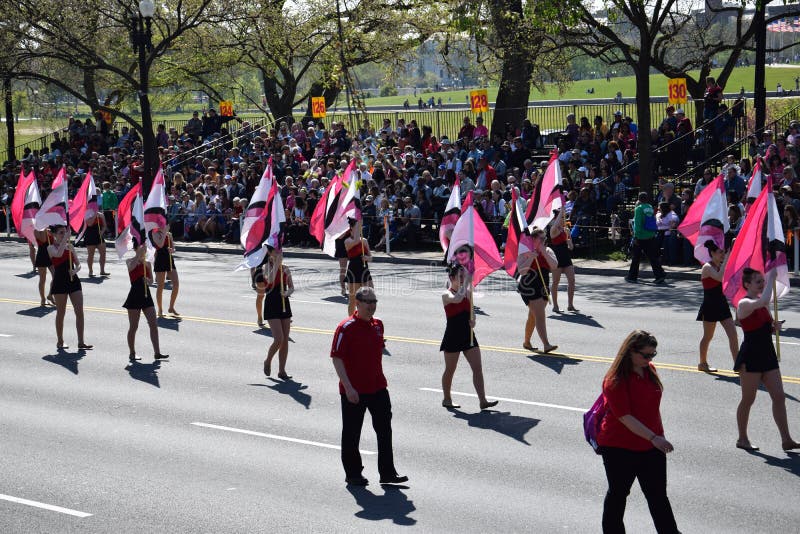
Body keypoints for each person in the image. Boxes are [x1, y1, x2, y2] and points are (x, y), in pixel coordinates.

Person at [596, 330, 679, 534]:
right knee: (618, 494)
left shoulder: (649, 370)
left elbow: (651, 408)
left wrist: (657, 436)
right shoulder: (615, 380)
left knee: (658, 496)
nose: (650, 359)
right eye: (646, 355)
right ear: (630, 351)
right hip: (619, 446)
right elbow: (625, 417)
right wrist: (654, 437)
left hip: (651, 445)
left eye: (653, 354)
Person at [330, 286, 408, 486]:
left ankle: (387, 473)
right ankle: (353, 473)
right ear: (357, 303)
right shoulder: (345, 327)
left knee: (384, 431)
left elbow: (377, 349)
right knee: (352, 433)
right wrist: (348, 387)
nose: (372, 305)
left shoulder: (378, 325)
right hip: (354, 390)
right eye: (368, 302)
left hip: (378, 387)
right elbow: (337, 358)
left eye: (374, 302)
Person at [733, 268, 800, 452]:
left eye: (763, 281)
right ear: (747, 284)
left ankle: (786, 439)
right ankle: (742, 438)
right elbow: (762, 302)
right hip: (751, 357)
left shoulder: (762, 303)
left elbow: (761, 325)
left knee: (779, 397)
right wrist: (771, 277)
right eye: (758, 281)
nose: (762, 284)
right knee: (748, 399)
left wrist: (773, 327)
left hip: (767, 354)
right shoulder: (744, 303)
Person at [439, 263, 499, 410]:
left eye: (463, 276)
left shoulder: (467, 293)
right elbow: (457, 299)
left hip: (468, 335)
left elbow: (471, 311)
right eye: (460, 276)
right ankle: (447, 398)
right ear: (451, 278)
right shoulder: (446, 294)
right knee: (450, 369)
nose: (462, 279)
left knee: (477, 368)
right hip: (453, 336)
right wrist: (466, 282)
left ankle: (483, 400)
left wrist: (473, 320)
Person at [47, 225, 91, 350]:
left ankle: (81, 342)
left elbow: (78, 264)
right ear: (54, 235)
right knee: (61, 312)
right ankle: (60, 341)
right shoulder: (50, 248)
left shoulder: (70, 246)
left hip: (73, 281)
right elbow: (59, 254)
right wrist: (66, 239)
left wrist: (75, 271)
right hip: (60, 281)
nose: (63, 235)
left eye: (65, 232)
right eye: (61, 233)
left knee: (79, 311)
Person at [696, 241, 738, 373]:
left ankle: (738, 364)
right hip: (710, 306)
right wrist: (728, 258)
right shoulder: (707, 267)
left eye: (724, 252)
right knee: (708, 337)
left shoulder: (720, 266)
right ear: (712, 253)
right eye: (720, 252)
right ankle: (702, 363)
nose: (723, 255)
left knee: (733, 335)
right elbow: (719, 278)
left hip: (722, 305)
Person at [123, 243, 168, 362]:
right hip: (134, 295)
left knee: (153, 324)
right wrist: (138, 256)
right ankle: (132, 353)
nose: (144, 249)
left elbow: (152, 281)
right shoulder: (130, 261)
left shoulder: (147, 263)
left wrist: (148, 280)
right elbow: (131, 268)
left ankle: (157, 353)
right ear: (136, 249)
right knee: (134, 327)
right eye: (141, 247)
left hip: (146, 295)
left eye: (145, 248)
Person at [517, 228, 558, 353]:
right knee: (540, 315)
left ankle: (526, 342)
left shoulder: (548, 250)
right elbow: (521, 271)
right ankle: (546, 344)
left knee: (533, 316)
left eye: (545, 238)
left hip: (543, 286)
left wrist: (543, 252)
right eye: (541, 238)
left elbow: (554, 266)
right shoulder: (525, 251)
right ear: (533, 239)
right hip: (529, 287)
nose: (544, 240)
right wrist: (530, 257)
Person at [259, 247, 294, 380]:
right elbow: (270, 280)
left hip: (284, 303)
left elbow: (292, 287)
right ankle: (268, 360)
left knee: (285, 340)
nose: (280, 254)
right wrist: (277, 264)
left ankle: (282, 371)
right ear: (270, 253)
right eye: (277, 252)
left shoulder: (286, 268)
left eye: (281, 252)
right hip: (272, 303)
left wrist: (287, 292)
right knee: (279, 338)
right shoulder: (265, 267)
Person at [626, 192, 666, 284]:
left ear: (639, 199)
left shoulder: (639, 209)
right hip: (650, 235)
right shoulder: (650, 207)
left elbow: (638, 224)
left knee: (636, 257)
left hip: (641, 236)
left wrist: (635, 236)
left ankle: (632, 276)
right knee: (652, 257)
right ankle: (660, 274)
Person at [548, 209, 577, 313]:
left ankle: (570, 305)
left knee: (572, 281)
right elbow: (556, 225)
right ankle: (555, 306)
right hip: (557, 259)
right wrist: (562, 210)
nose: (563, 220)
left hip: (566, 257)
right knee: (555, 282)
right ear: (556, 219)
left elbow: (571, 247)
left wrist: (569, 242)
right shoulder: (553, 230)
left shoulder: (566, 230)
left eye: (564, 218)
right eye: (561, 218)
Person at [344, 218, 373, 315]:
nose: (360, 228)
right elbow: (356, 241)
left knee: (369, 297)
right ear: (351, 228)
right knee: (353, 300)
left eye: (360, 227)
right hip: (353, 271)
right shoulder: (347, 241)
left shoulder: (364, 241)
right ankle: (351, 320)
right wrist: (357, 224)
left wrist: (367, 258)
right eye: (357, 227)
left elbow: (371, 257)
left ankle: (367, 318)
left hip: (364, 270)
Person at [150, 227, 180, 317]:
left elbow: (173, 248)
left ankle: (171, 307)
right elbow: (160, 245)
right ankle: (160, 310)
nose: (165, 225)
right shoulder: (155, 232)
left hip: (169, 259)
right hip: (160, 259)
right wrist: (164, 233)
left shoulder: (169, 234)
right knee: (161, 286)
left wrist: (172, 250)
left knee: (176, 284)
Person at [82, 211, 109, 278]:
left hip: (99, 236)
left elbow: (104, 226)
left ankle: (102, 270)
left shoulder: (101, 214)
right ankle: (90, 271)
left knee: (103, 253)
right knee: (91, 255)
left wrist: (102, 231)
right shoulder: (87, 214)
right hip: (90, 235)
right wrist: (94, 216)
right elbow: (89, 224)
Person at [34, 228, 54, 307]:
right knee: (43, 279)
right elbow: (43, 240)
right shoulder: (36, 230)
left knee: (56, 276)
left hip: (51, 255)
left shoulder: (49, 229)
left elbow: (54, 241)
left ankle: (50, 295)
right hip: (42, 255)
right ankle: (43, 299)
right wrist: (44, 229)